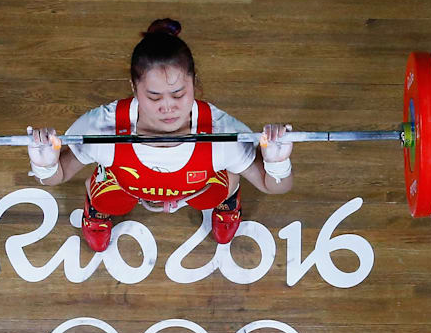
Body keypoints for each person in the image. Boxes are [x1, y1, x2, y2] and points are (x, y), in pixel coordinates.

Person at [27, 18, 293, 253]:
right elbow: (56, 177)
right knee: (107, 198)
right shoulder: (101, 127)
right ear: (134, 87)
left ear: (194, 82)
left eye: (178, 94)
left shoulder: (222, 133)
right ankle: (97, 209)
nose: (168, 107)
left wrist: (277, 162)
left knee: (218, 189)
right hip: (128, 185)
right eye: (153, 96)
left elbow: (275, 186)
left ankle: (229, 199)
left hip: (198, 186)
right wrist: (45, 163)